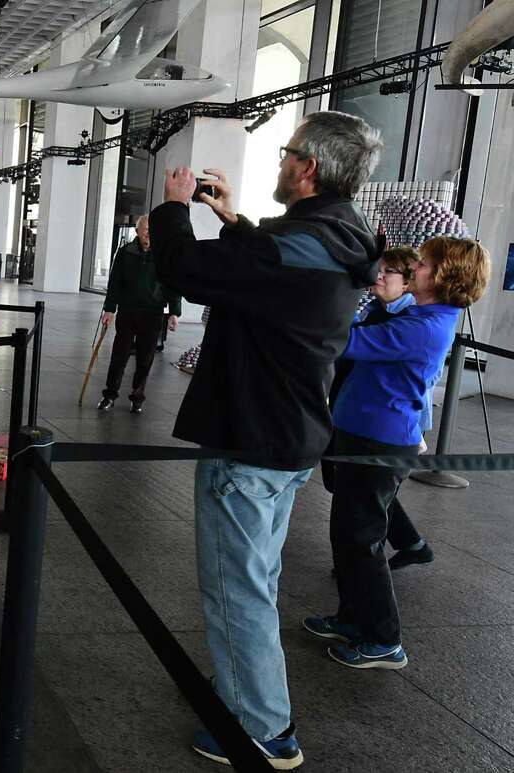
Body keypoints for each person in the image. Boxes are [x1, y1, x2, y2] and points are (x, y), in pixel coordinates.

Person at [150, 110, 384, 769]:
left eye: (286, 153)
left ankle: (261, 728)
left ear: (307, 168)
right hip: (292, 434)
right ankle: (241, 693)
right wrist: (236, 221)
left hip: (250, 438)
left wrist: (173, 209)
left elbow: (182, 267)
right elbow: (277, 273)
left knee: (236, 585)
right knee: (253, 575)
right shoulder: (345, 233)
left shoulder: (297, 243)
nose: (280, 163)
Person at [305, 237, 489, 671]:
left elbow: (346, 342)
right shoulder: (424, 314)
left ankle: (384, 639)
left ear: (445, 277)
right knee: (348, 536)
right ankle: (352, 619)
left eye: (424, 264)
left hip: (380, 441)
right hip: (362, 432)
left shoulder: (424, 325)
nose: (415, 269)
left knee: (363, 541)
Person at [322, 247, 434, 572]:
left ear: (410, 280)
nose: (379, 276)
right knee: (357, 490)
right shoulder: (380, 309)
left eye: (389, 272)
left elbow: (351, 344)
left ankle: (367, 579)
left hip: (383, 426)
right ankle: (410, 545)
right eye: (378, 270)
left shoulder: (410, 320)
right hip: (357, 416)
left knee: (363, 505)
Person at [98, 215, 180, 413]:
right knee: (119, 355)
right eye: (145, 229)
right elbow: (115, 283)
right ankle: (110, 395)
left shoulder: (163, 255)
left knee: (145, 358)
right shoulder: (126, 252)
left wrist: (174, 312)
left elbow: (172, 286)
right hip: (127, 311)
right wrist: (110, 309)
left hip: (153, 313)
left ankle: (137, 398)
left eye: (153, 230)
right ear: (137, 231)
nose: (149, 233)